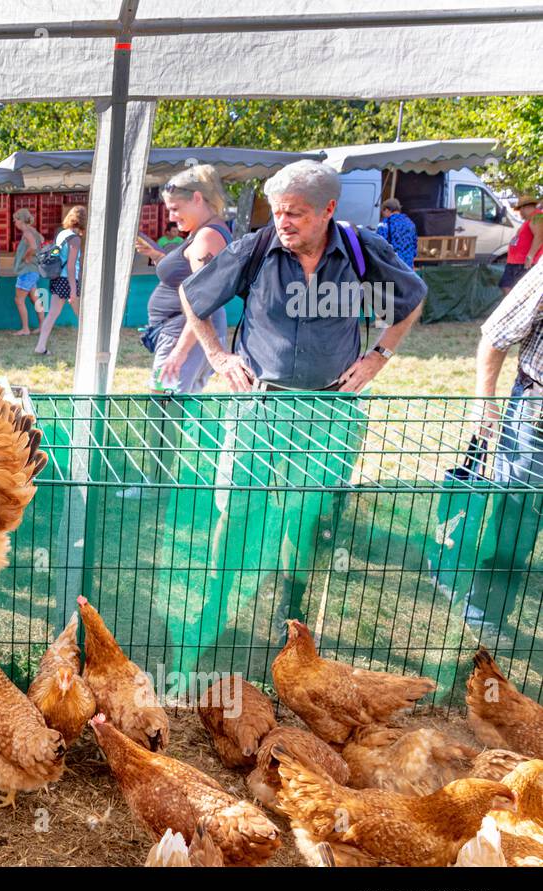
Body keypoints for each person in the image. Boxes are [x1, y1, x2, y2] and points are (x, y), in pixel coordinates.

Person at [173, 159, 428, 672]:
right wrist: (220, 357)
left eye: (296, 214)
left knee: (312, 519)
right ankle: (216, 609)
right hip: (260, 407)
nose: (284, 222)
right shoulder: (257, 249)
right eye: (279, 211)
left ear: (329, 210)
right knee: (238, 510)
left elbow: (411, 300)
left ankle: (294, 619)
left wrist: (379, 356)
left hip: (329, 409)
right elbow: (192, 297)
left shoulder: (360, 250)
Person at [123, 165, 233, 499]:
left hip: (183, 335)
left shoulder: (208, 237)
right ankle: (157, 479)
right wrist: (159, 256)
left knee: (164, 406)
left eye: (175, 208)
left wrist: (180, 352)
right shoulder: (203, 232)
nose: (172, 217)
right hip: (176, 332)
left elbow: (205, 301)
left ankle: (155, 485)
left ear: (198, 198)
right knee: (163, 405)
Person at [462, 260, 543, 649]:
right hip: (534, 413)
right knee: (516, 517)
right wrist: (485, 403)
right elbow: (496, 334)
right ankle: (484, 614)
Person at [34, 205, 85, 356]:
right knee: (81, 313)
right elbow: (70, 266)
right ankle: (91, 342)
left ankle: (40, 346)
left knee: (53, 314)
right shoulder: (75, 239)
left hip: (57, 278)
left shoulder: (62, 234)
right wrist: (73, 290)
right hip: (67, 279)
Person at [10, 208, 44, 336]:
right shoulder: (34, 231)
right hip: (34, 271)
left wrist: (27, 255)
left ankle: (25, 329)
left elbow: (34, 247)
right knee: (35, 300)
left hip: (27, 271)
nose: (14, 223)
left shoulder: (27, 233)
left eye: (15, 220)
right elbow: (41, 239)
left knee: (19, 300)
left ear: (20, 220)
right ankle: (42, 326)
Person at [500, 196, 543, 292]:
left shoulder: (537, 217)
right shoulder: (531, 219)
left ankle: (516, 306)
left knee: (514, 289)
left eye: (520, 210)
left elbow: (540, 236)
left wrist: (530, 256)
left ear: (526, 208)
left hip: (523, 262)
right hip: (516, 262)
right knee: (506, 285)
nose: (520, 213)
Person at [375, 197, 418, 269]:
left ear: (387, 210)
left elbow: (379, 244)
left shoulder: (385, 224)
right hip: (408, 264)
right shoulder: (410, 223)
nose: (383, 215)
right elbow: (414, 245)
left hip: (392, 264)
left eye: (383, 212)